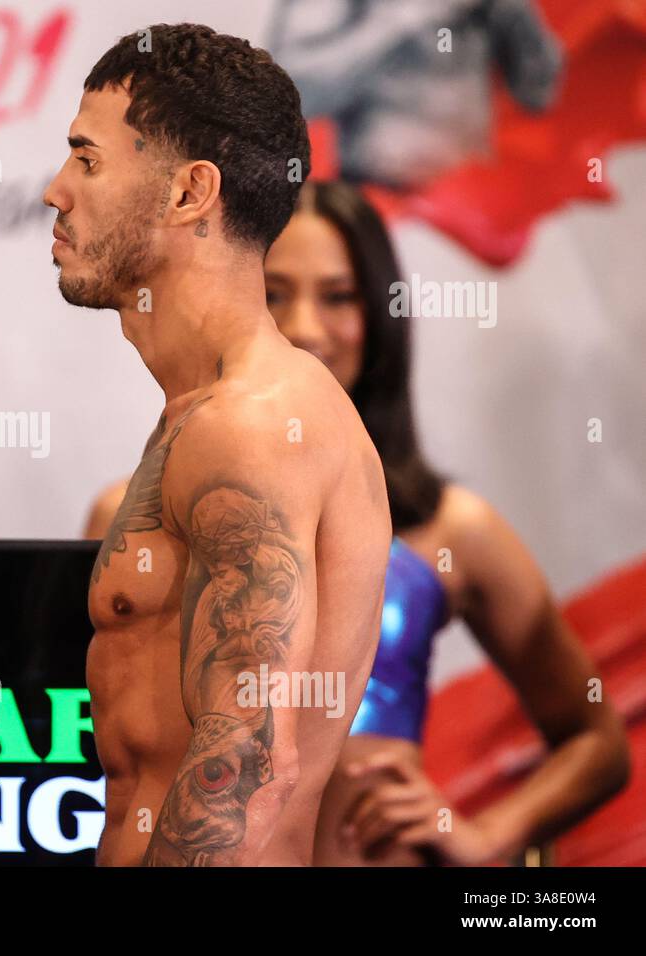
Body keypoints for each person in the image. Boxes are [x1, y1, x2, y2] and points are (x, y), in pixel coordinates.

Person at [47, 23, 391, 866]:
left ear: (189, 193)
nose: (57, 190)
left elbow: (246, 767)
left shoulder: (253, 423)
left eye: (87, 159)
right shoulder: (204, 414)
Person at [262, 179, 629, 864]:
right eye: (273, 294)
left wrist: (490, 835)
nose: (305, 327)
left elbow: (596, 741)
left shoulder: (450, 531)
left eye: (339, 296)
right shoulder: (143, 518)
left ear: (380, 315)